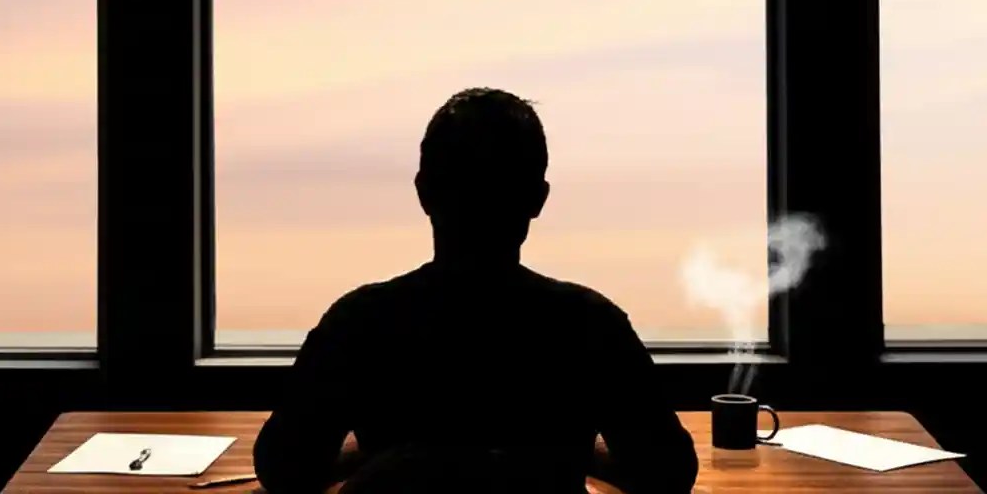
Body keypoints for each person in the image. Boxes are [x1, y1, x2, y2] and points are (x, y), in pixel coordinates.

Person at [253, 88, 699, 494]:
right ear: (537, 199)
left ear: (424, 193)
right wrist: (567, 453)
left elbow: (281, 468)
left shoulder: (358, 323)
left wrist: (384, 455)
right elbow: (670, 472)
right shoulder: (590, 325)